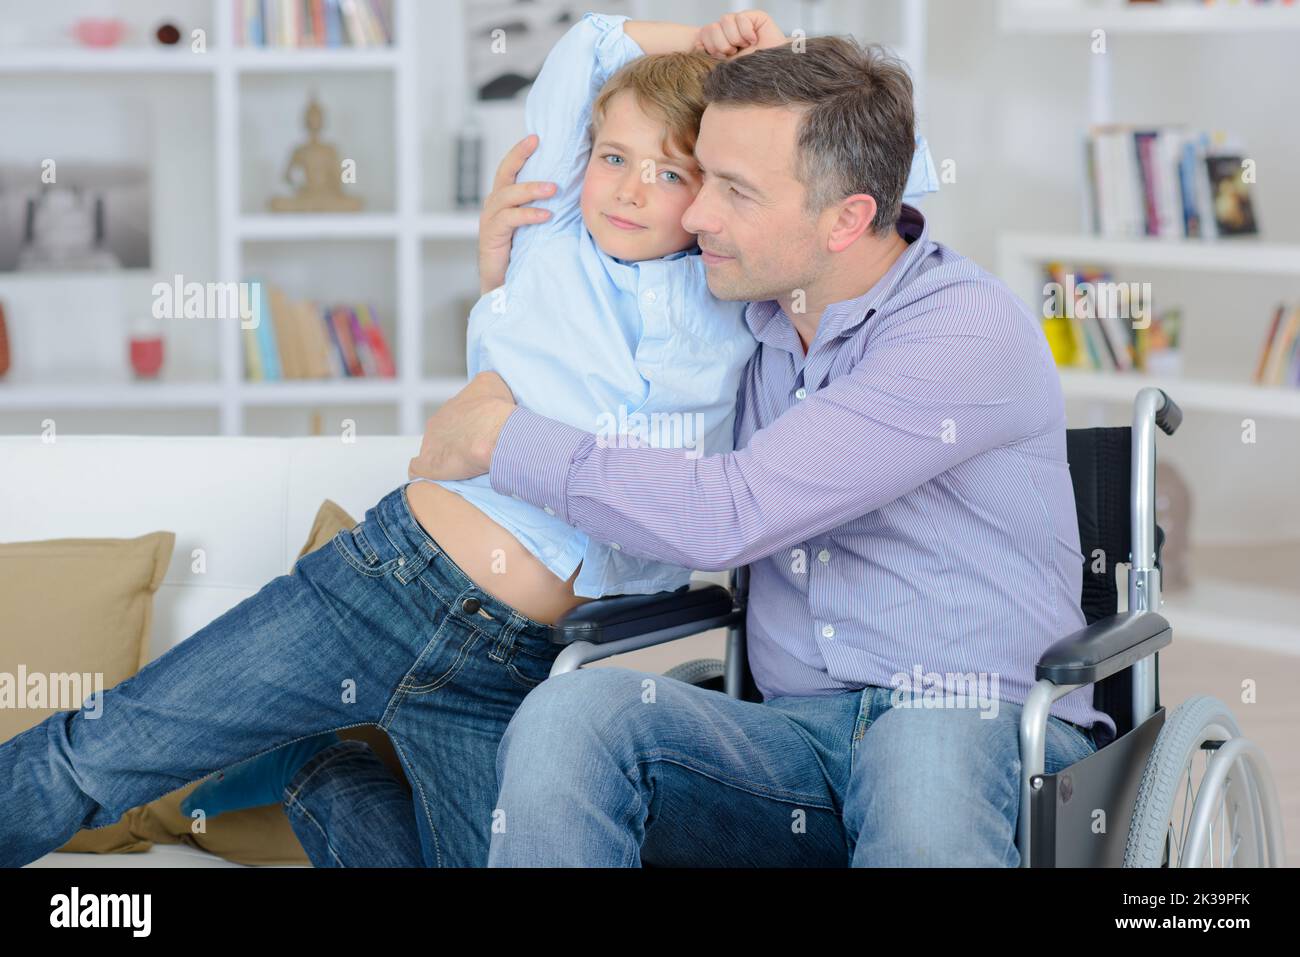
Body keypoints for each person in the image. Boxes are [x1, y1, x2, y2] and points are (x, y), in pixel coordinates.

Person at [0, 11, 935, 869]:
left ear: (713, 200)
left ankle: (318, 770)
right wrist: (702, 34)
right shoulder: (555, 229)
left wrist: (777, 59)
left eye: (671, 172)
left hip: (516, 662)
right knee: (104, 751)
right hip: (387, 586)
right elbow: (588, 49)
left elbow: (886, 185)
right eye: (612, 157)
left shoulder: (739, 294)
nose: (630, 188)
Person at [409, 27, 1112, 868]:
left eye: (732, 190)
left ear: (849, 218)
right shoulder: (742, 330)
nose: (694, 212)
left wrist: (499, 435)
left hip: (976, 723)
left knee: (924, 753)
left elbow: (729, 513)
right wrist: (513, 277)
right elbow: (596, 367)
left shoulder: (964, 329)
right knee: (573, 715)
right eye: (701, 175)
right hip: (793, 744)